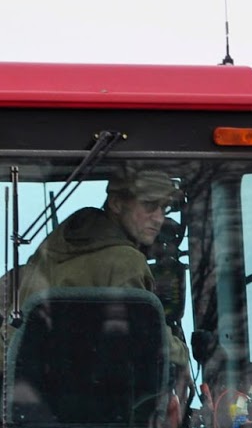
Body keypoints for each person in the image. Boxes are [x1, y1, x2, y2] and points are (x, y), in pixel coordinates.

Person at [19, 165, 190, 388]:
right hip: (99, 399)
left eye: (164, 208)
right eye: (149, 206)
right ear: (117, 204)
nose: (158, 218)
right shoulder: (126, 261)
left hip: (37, 392)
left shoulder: (55, 249)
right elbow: (148, 336)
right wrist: (183, 356)